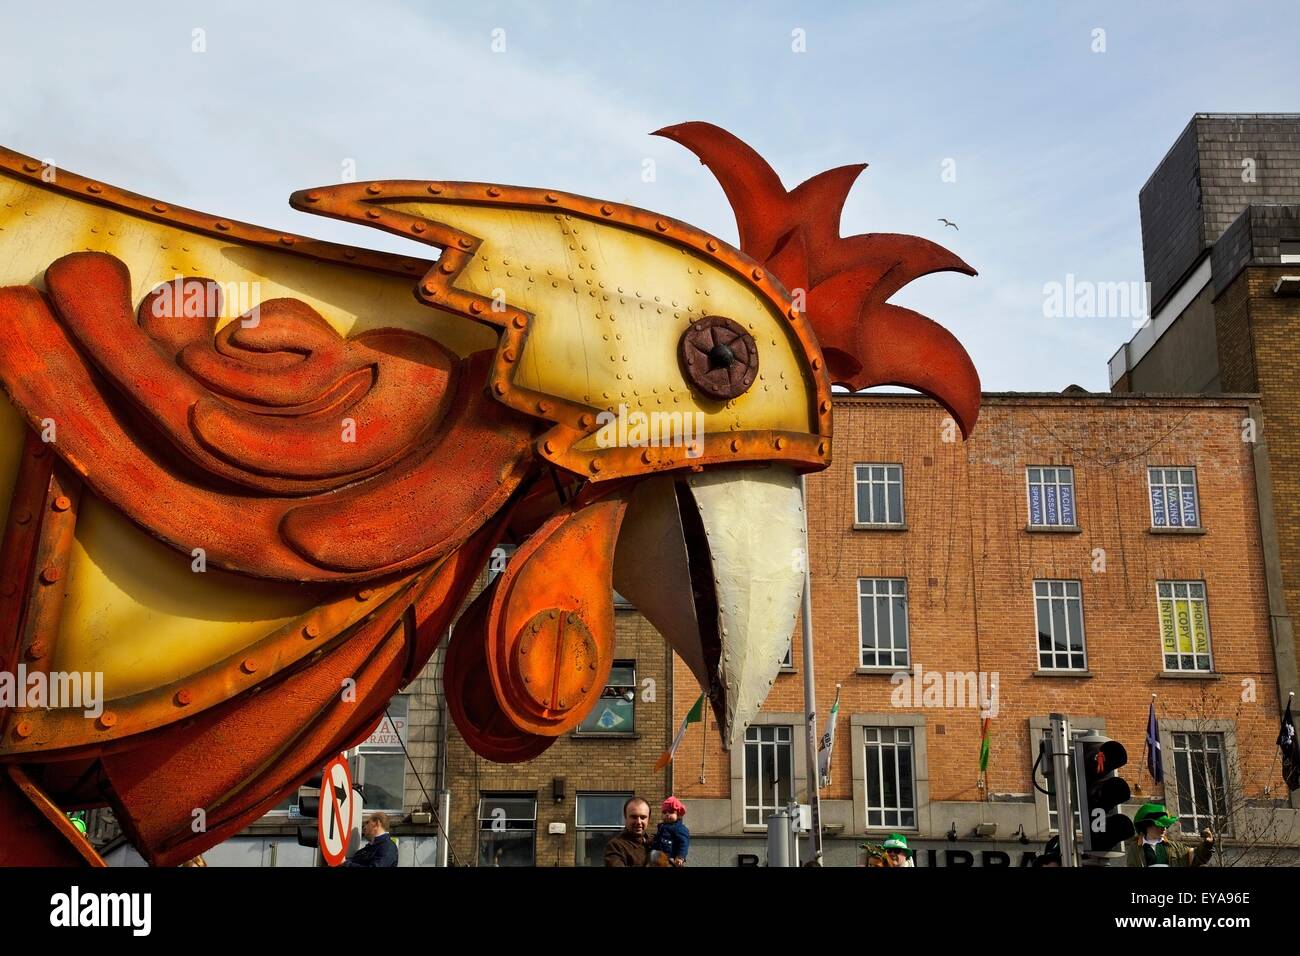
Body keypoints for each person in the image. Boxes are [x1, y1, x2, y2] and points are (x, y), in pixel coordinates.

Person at [1125, 803, 1214, 868]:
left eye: (1166, 825)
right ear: (1147, 825)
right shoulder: (1135, 849)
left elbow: (1197, 858)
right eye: (1160, 825)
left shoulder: (1176, 847)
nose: (1164, 828)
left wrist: (1207, 845)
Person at [604, 797, 653, 866]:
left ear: (649, 819)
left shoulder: (655, 842)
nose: (639, 822)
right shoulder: (615, 846)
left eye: (643, 817)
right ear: (625, 817)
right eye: (634, 817)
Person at [651, 796, 690, 867]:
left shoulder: (680, 828)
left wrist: (680, 857)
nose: (667, 814)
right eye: (664, 812)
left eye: (671, 812)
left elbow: (684, 843)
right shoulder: (662, 826)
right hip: (659, 857)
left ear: (678, 814)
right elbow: (658, 839)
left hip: (671, 859)